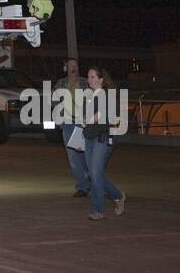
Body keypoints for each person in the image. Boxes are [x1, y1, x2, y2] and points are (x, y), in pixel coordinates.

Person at [81, 66, 126, 221]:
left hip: (103, 138)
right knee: (94, 173)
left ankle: (98, 210)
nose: (90, 79)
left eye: (93, 76)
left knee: (95, 173)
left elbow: (105, 115)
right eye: (89, 76)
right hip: (89, 138)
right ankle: (118, 196)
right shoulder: (88, 96)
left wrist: (93, 117)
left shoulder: (106, 95)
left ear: (101, 80)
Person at [54, 58, 91, 197]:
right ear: (66, 68)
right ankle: (82, 186)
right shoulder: (60, 83)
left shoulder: (85, 83)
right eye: (71, 66)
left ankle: (92, 182)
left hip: (82, 123)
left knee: (86, 154)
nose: (73, 68)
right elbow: (54, 101)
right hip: (68, 123)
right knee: (73, 156)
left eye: (75, 65)